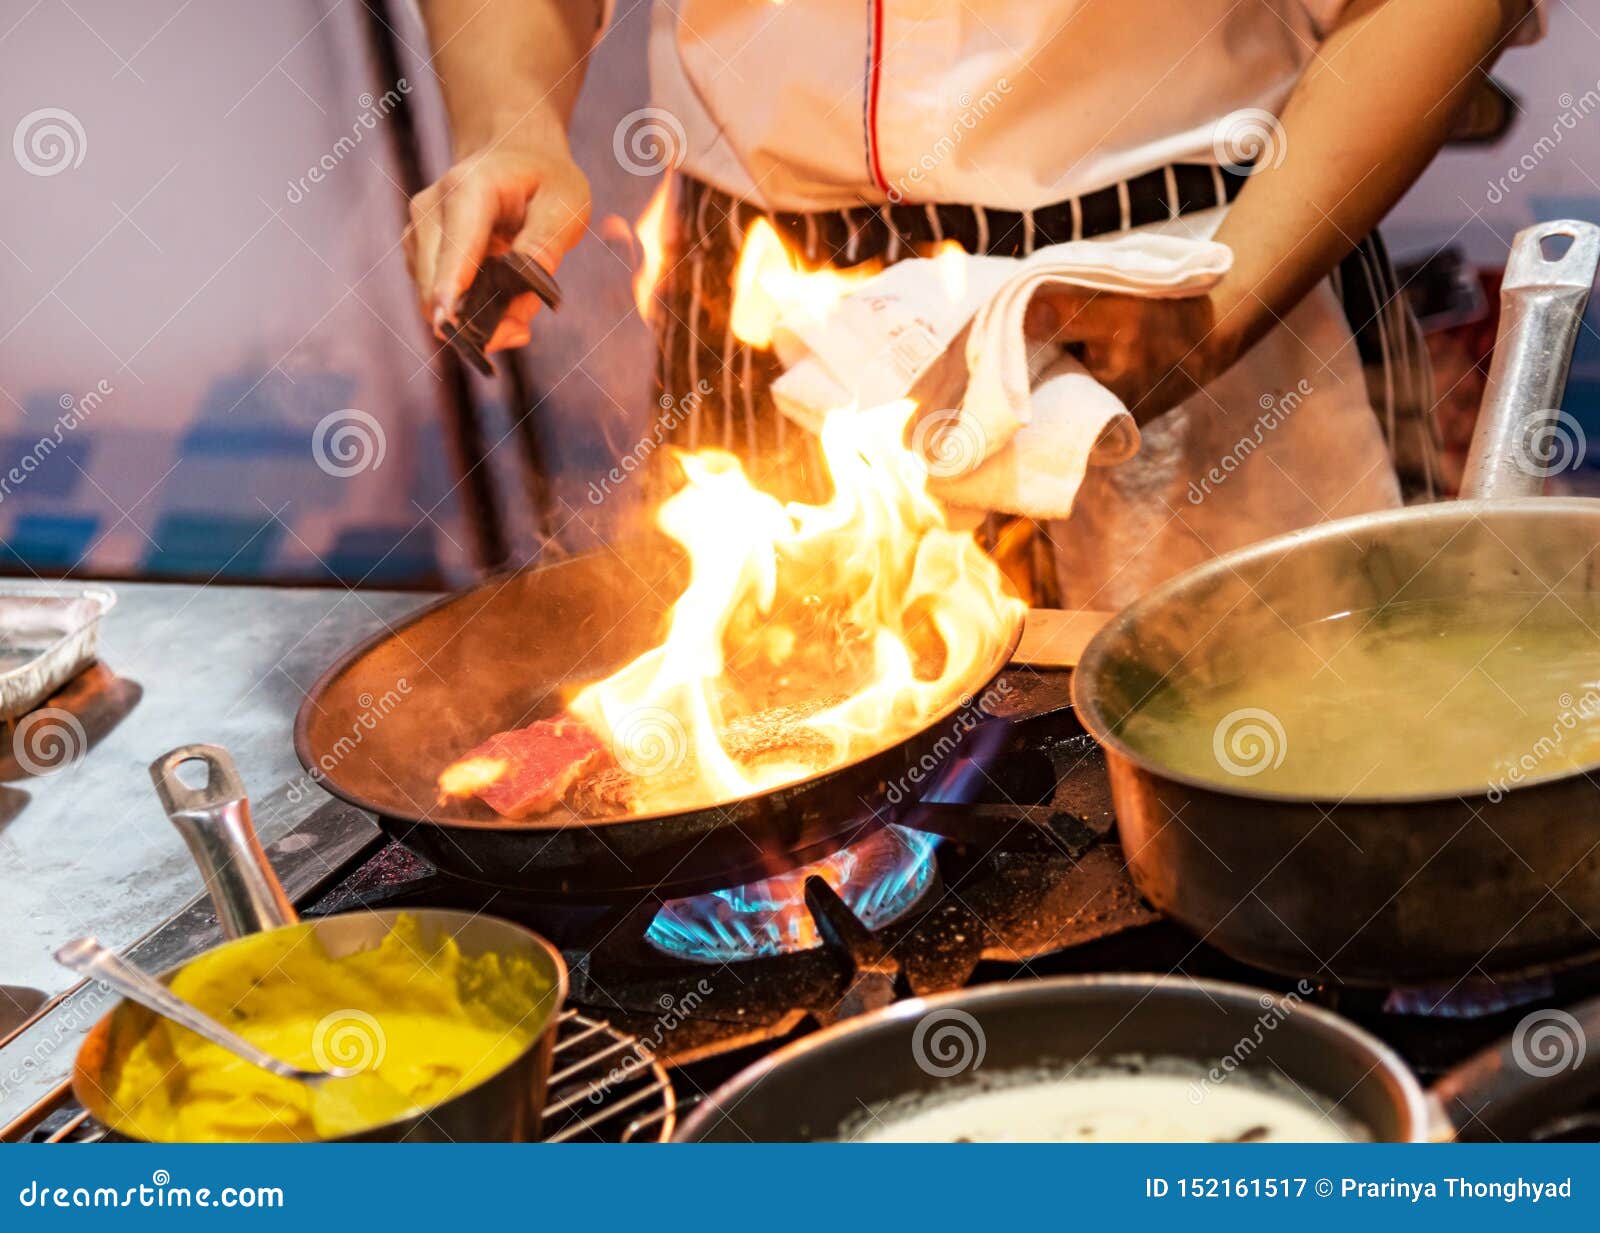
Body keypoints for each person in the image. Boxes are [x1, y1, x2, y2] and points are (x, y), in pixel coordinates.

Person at [403, 0, 1541, 608]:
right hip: (771, 307)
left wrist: (1229, 293)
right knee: (771, 825)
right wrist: (512, 120)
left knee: (1260, 830)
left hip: (1185, 273)